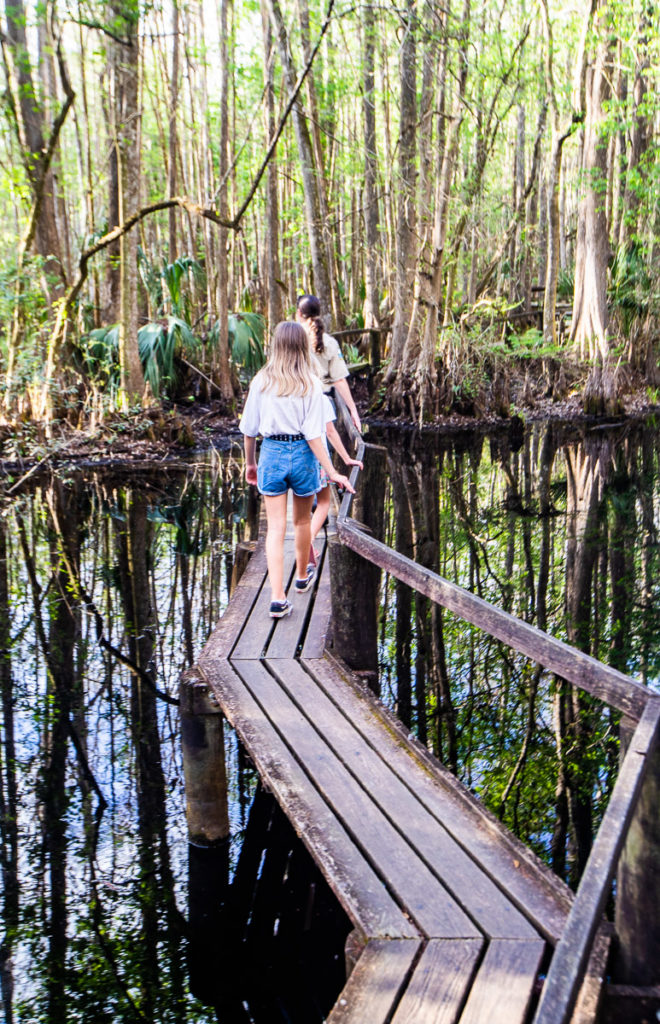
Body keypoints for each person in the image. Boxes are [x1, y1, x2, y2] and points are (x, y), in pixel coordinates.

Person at [240, 321, 354, 618]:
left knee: (276, 528)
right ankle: (302, 577)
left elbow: (249, 430)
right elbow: (314, 435)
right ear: (302, 346)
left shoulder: (261, 381)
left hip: (272, 453)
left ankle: (277, 598)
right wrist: (332, 470)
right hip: (303, 455)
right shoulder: (311, 383)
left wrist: (250, 463)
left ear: (275, 345)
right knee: (301, 523)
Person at [307, 395, 363, 571]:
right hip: (319, 456)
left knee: (302, 507)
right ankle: (307, 540)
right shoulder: (320, 398)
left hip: (295, 456)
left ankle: (305, 544)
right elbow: (330, 431)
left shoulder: (290, 397)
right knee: (324, 503)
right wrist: (346, 458)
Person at [295, 294, 362, 432]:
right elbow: (339, 380)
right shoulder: (330, 342)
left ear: (299, 313)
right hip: (321, 405)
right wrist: (353, 410)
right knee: (324, 450)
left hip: (295, 406)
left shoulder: (290, 340)